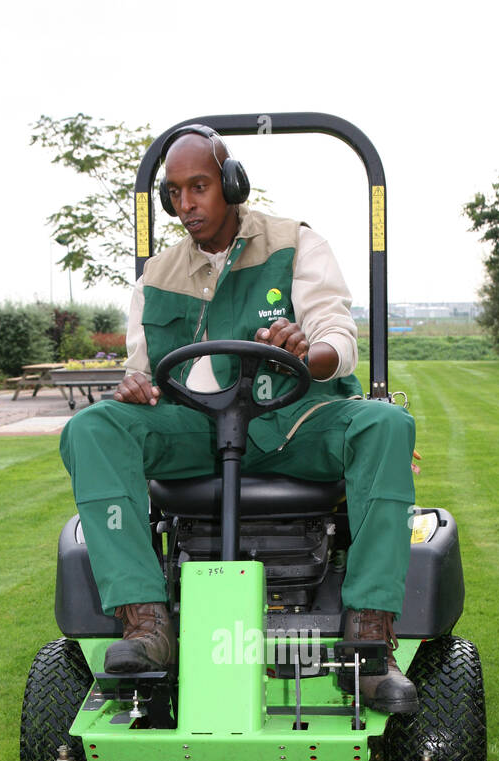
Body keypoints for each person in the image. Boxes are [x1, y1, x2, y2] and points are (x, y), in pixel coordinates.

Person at [60, 125, 418, 712]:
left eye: (198, 187)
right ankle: (147, 624)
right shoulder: (157, 277)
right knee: (91, 427)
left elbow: (338, 338)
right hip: (196, 430)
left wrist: (309, 351)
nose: (185, 204)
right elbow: (145, 370)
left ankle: (369, 643)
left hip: (294, 423)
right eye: (173, 192)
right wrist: (132, 385)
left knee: (387, 424)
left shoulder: (294, 245)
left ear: (231, 182)